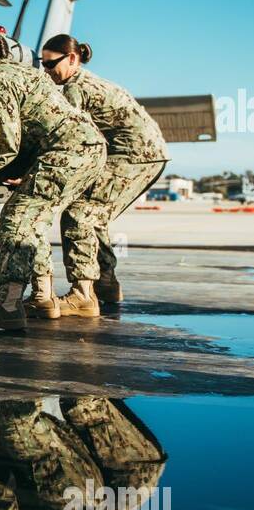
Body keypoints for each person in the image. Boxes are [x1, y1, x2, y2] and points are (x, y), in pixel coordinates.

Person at [0, 30, 106, 332]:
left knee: (17, 220)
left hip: (67, 153)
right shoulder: (19, 71)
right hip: (86, 150)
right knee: (33, 219)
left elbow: (6, 145)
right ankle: (43, 299)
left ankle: (8, 307)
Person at [41, 34, 168, 313]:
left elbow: (65, 138)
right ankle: (106, 284)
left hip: (134, 157)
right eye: (43, 65)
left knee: (79, 215)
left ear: (72, 59)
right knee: (94, 215)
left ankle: (82, 295)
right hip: (146, 155)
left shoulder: (76, 89)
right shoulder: (86, 81)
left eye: (51, 65)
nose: (47, 72)